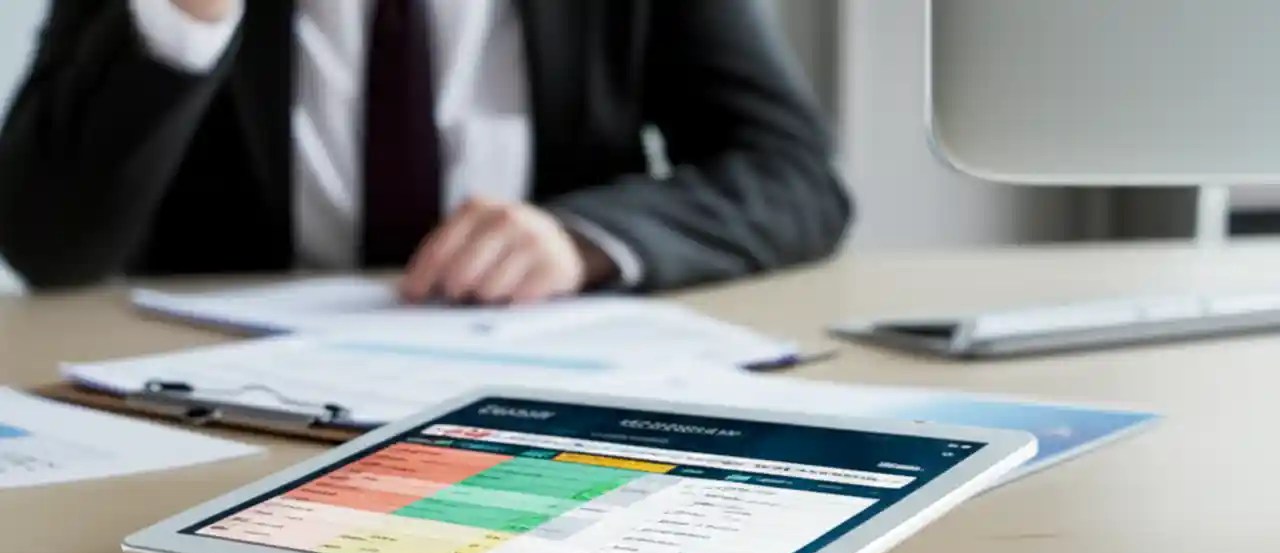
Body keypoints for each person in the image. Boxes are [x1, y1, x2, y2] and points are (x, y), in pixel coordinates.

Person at [0, 0, 851, 304]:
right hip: (228, 414)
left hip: (548, 403)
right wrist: (187, 13)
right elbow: (49, 244)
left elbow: (793, 176)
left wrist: (581, 241)